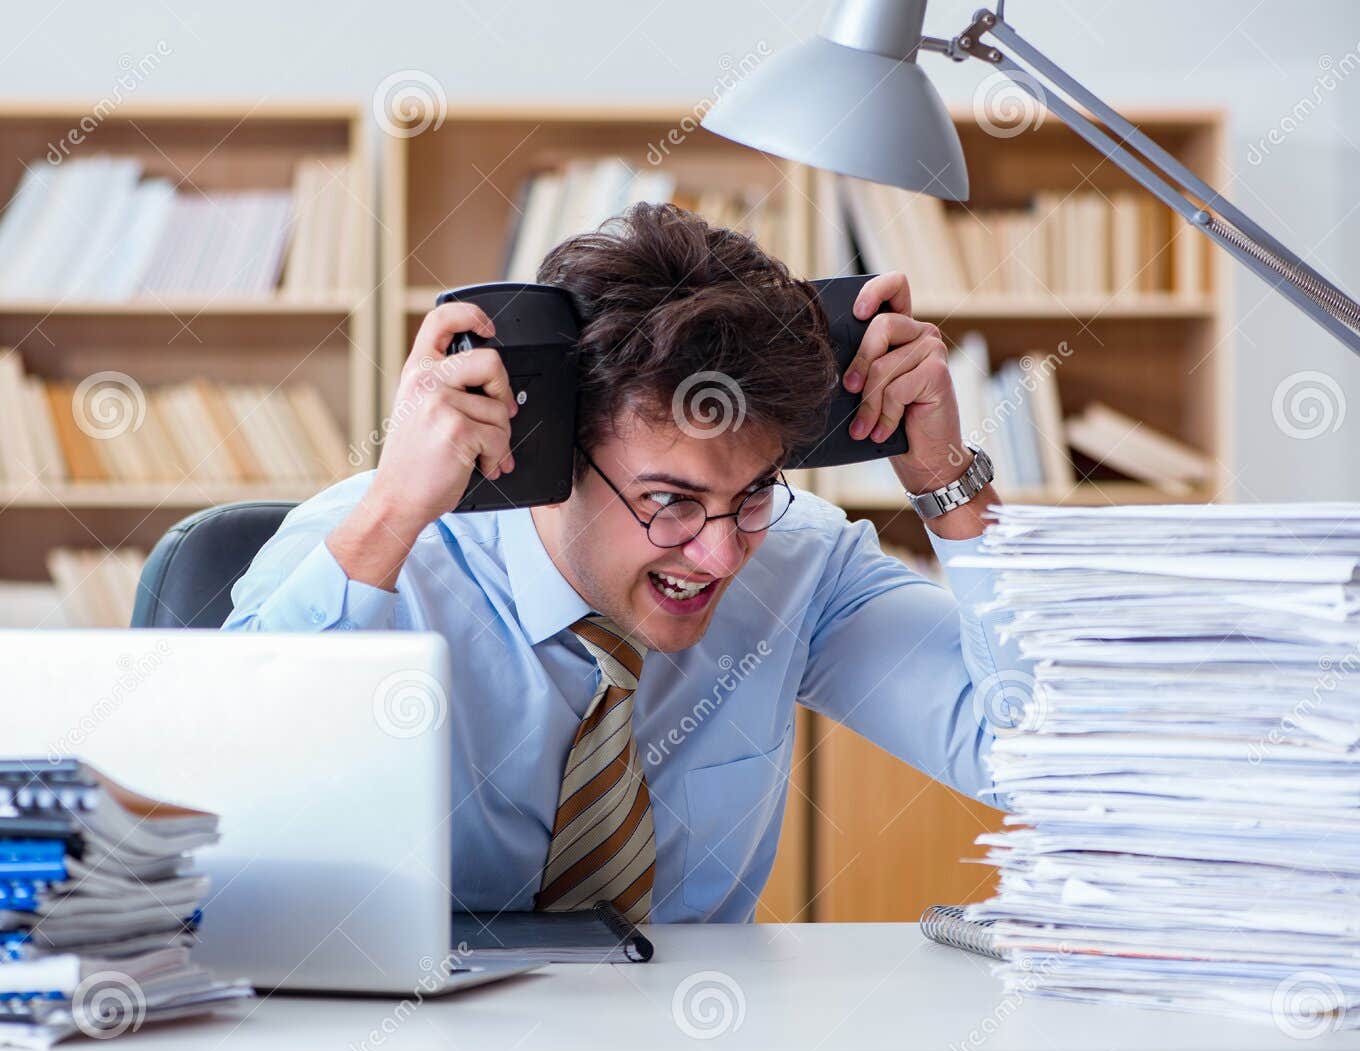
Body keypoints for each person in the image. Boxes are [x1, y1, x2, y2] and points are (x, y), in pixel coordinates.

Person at [225, 202, 1021, 924]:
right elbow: (232, 823)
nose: (718, 555)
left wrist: (948, 482)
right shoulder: (380, 550)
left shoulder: (801, 560)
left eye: (751, 493)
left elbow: (1035, 761)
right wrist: (391, 515)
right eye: (668, 501)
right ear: (548, 451)